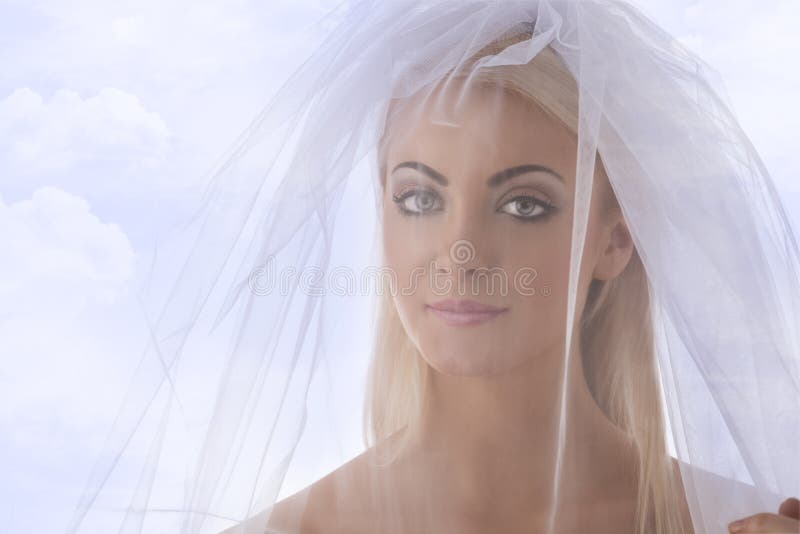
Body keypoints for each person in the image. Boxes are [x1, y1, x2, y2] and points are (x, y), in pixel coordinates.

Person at [67, 2, 800, 534]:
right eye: (420, 198)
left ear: (616, 240)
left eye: (523, 205)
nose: (461, 254)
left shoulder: (741, 522)